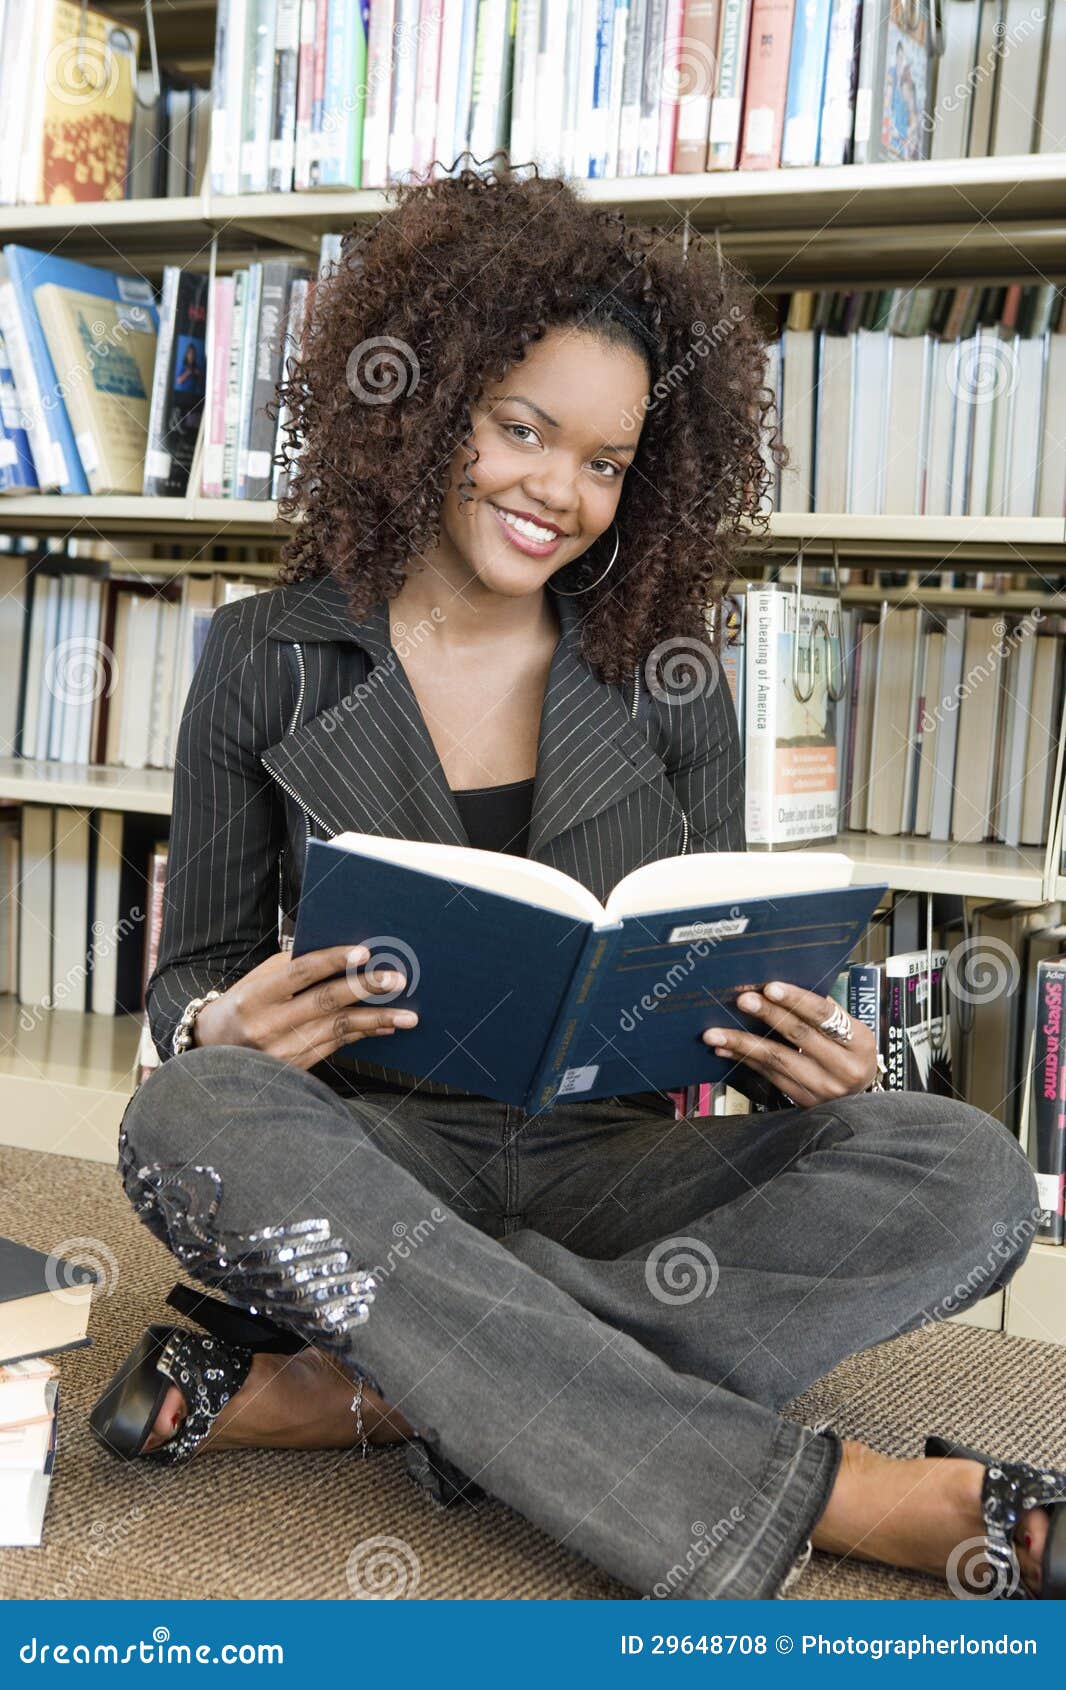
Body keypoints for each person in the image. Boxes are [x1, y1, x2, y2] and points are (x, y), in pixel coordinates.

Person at [90, 163, 1064, 1601]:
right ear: (425, 409)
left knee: (968, 1174)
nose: (559, 490)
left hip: (611, 1168)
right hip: (371, 1158)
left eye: (606, 461)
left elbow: (721, 962)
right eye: (521, 428)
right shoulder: (264, 657)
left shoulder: (672, 681)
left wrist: (807, 1063)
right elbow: (196, 962)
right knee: (187, 1115)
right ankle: (849, 1497)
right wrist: (216, 1025)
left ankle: (385, 1385)